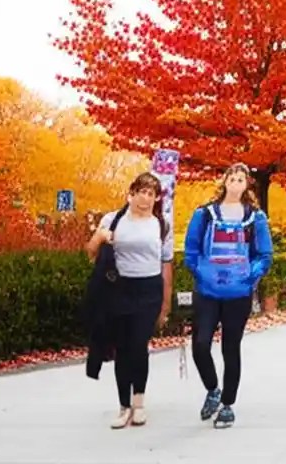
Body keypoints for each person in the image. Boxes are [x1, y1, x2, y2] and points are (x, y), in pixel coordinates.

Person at [183, 163, 274, 428]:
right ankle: (213, 389)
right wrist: (201, 273)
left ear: (247, 185)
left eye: (240, 179)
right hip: (207, 291)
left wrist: (248, 276)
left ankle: (228, 404)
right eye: (231, 178)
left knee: (230, 348)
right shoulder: (204, 214)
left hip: (238, 293)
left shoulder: (254, 218)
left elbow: (264, 254)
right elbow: (191, 250)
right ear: (224, 182)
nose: (235, 183)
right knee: (200, 345)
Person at [84, 173, 174, 429]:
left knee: (138, 344)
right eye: (141, 192)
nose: (145, 198)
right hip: (119, 288)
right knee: (123, 347)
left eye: (151, 193)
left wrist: (166, 303)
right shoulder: (113, 220)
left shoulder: (161, 224)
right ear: (131, 193)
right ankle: (124, 405)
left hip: (149, 289)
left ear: (156, 198)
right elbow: (91, 253)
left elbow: (166, 263)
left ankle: (139, 402)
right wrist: (99, 237)